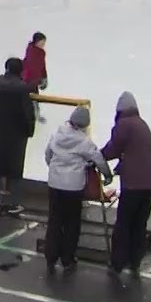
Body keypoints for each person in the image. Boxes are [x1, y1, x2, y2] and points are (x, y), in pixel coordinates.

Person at [44, 104, 112, 271]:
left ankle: (51, 256)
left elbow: (48, 154)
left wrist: (54, 170)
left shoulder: (57, 134)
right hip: (74, 187)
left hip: (55, 184)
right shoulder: (84, 142)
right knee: (72, 223)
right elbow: (99, 160)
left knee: (55, 220)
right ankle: (67, 258)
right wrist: (108, 175)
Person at [101, 91, 151, 275]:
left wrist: (96, 156)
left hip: (133, 185)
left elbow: (113, 148)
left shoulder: (124, 124)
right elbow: (140, 154)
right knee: (139, 223)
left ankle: (117, 263)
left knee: (124, 223)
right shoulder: (142, 124)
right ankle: (135, 261)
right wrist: (122, 167)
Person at [0, 57, 37, 215]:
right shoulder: (21, 89)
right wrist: (29, 131)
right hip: (16, 136)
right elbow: (27, 113)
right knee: (14, 169)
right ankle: (13, 203)